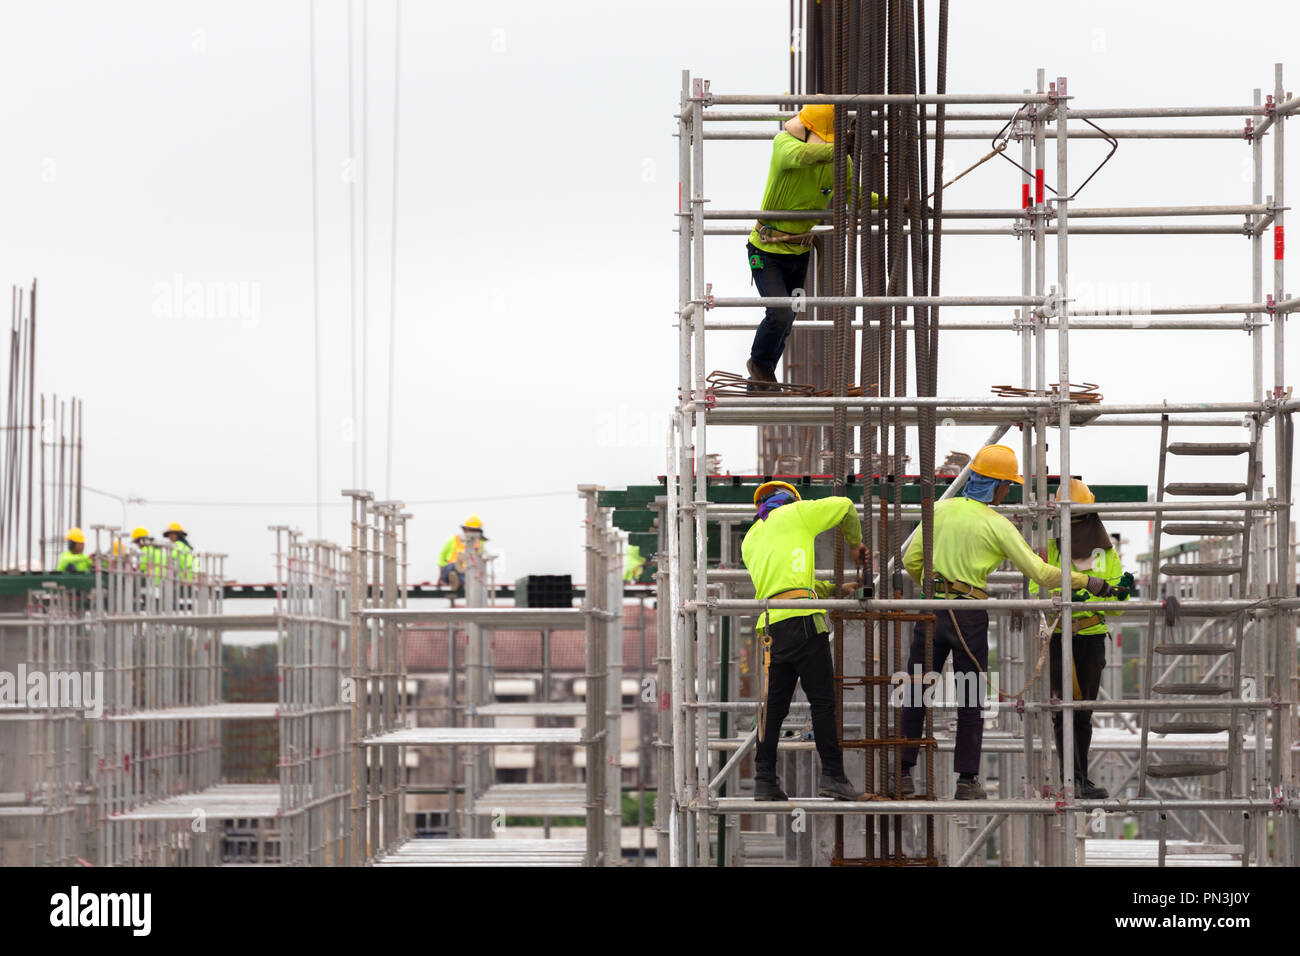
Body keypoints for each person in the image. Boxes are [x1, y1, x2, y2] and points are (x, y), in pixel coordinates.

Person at [898, 446, 1113, 800]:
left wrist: (934, 586)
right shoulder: (996, 525)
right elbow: (1041, 574)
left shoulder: (938, 510)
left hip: (931, 609)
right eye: (1006, 487)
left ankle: (904, 774)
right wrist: (1086, 581)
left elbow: (911, 560)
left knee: (916, 691)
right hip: (968, 615)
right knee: (969, 696)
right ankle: (967, 781)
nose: (1007, 493)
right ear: (997, 487)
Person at [742, 481, 866, 801]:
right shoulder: (798, 512)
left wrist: (836, 590)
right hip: (803, 623)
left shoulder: (752, 537)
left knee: (773, 710)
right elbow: (846, 506)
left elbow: (790, 582)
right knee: (822, 702)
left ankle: (764, 779)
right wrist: (855, 544)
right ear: (792, 500)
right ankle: (833, 776)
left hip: (773, 626)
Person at [744, 104, 880, 389]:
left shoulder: (840, 163)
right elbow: (802, 156)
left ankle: (761, 379)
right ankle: (760, 366)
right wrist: (839, 149)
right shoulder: (784, 144)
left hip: (799, 252)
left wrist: (897, 204)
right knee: (779, 311)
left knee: (790, 312)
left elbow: (857, 197)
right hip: (766, 251)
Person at [1030, 478, 1133, 799]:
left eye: (1079, 517)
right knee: (1064, 711)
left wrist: (1097, 598)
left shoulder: (1105, 553)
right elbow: (1036, 592)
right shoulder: (1051, 550)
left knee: (1083, 712)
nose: (1075, 524)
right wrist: (1068, 594)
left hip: (1090, 637)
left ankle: (1079, 779)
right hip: (1060, 638)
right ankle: (1069, 780)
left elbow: (1118, 605)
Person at [439, 515, 485, 591]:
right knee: (454, 567)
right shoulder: (454, 540)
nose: (471, 532)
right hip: (450, 569)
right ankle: (457, 580)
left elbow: (480, 563)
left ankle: (458, 582)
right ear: (465, 530)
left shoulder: (480, 543)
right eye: (469, 530)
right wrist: (440, 577)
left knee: (467, 573)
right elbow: (441, 558)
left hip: (467, 572)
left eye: (474, 530)